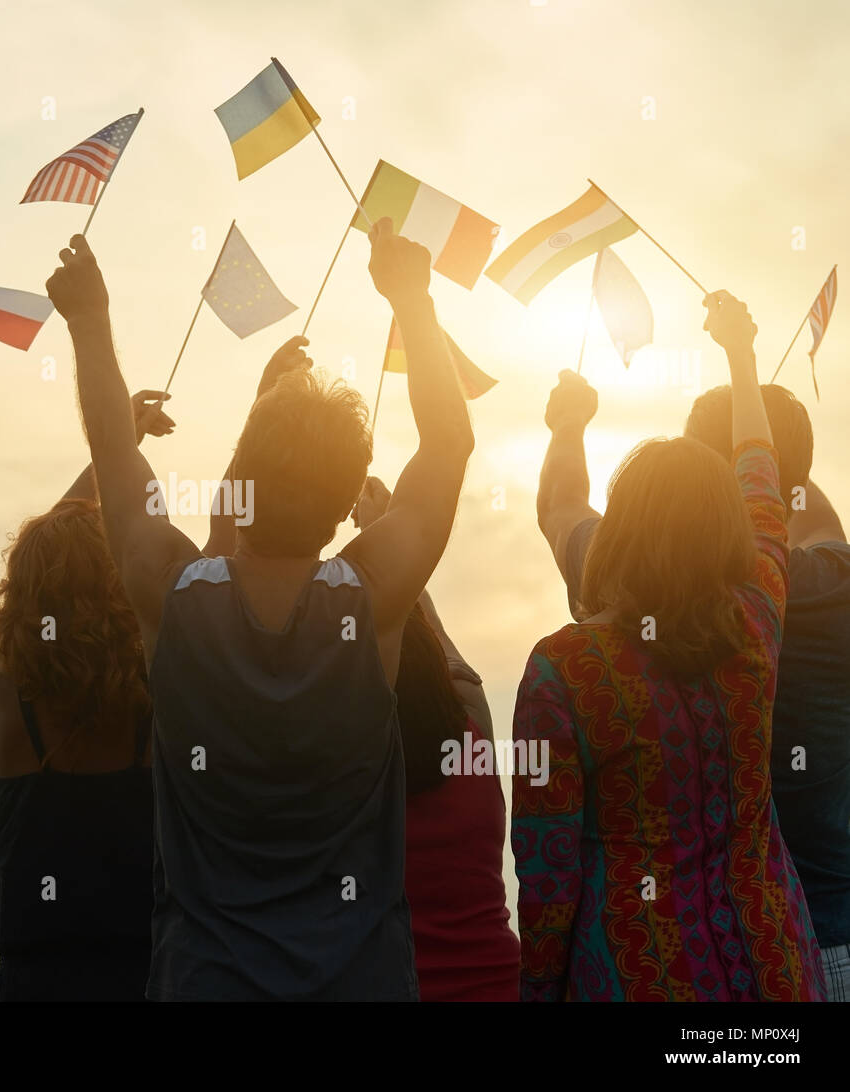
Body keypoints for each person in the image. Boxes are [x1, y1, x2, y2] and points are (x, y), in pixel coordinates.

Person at [45, 219, 474, 1001]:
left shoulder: (174, 596)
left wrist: (89, 322)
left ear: (242, 486)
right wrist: (412, 299)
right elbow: (448, 445)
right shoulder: (372, 598)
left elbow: (115, 450)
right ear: (350, 501)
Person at [514, 291, 826, 1001]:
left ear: (620, 529)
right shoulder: (756, 625)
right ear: (732, 538)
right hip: (776, 969)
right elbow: (763, 484)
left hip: (638, 974)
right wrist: (741, 355)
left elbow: (547, 872)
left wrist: (567, 427)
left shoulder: (565, 671)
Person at [0, 390, 174, 1002]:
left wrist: (112, 448)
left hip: (32, 982)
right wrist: (118, 451)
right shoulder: (151, 679)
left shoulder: (10, 678)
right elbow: (150, 542)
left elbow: (47, 559)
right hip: (144, 978)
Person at [352, 477, 520, 1002]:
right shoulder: (472, 745)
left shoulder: (342, 783)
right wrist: (388, 535)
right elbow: (449, 663)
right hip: (500, 985)